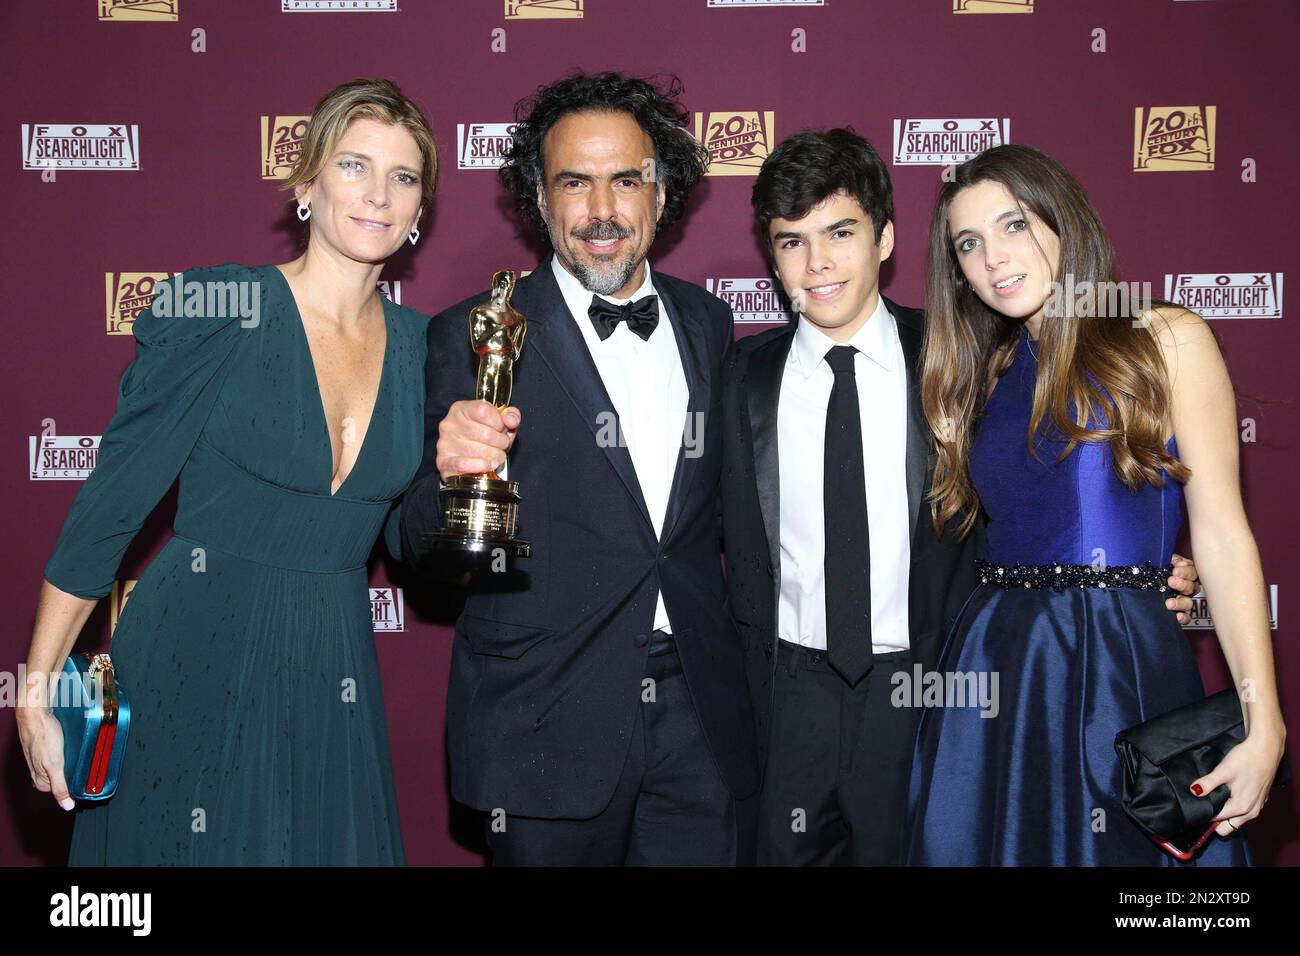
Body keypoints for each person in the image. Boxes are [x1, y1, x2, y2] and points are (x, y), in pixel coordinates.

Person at [722, 129, 1202, 866]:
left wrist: (1146, 572)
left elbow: (1050, 492)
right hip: (784, 698)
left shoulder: (965, 364)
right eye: (792, 243)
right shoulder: (733, 379)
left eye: (840, 233)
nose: (816, 264)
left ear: (884, 239)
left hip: (927, 687)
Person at [17, 78, 436, 865]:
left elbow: (412, 536)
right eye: (353, 166)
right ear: (306, 182)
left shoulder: (425, 348)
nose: (378, 194)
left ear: (420, 212)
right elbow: (111, 506)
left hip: (332, 668)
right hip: (194, 650)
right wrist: (37, 687)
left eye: (404, 177)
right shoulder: (222, 308)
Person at [400, 72, 758, 866]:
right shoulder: (472, 332)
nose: (602, 211)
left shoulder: (708, 321)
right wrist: (451, 476)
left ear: (662, 195)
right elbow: (414, 540)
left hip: (699, 719)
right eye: (575, 183)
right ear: (539, 196)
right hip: (543, 721)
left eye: (625, 180)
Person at [906, 143, 1287, 866]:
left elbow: (1224, 537)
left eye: (1014, 224)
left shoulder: (1164, 338)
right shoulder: (982, 374)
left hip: (1119, 662)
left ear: (1062, 221)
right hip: (994, 669)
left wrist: (1263, 720)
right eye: (969, 243)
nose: (993, 256)